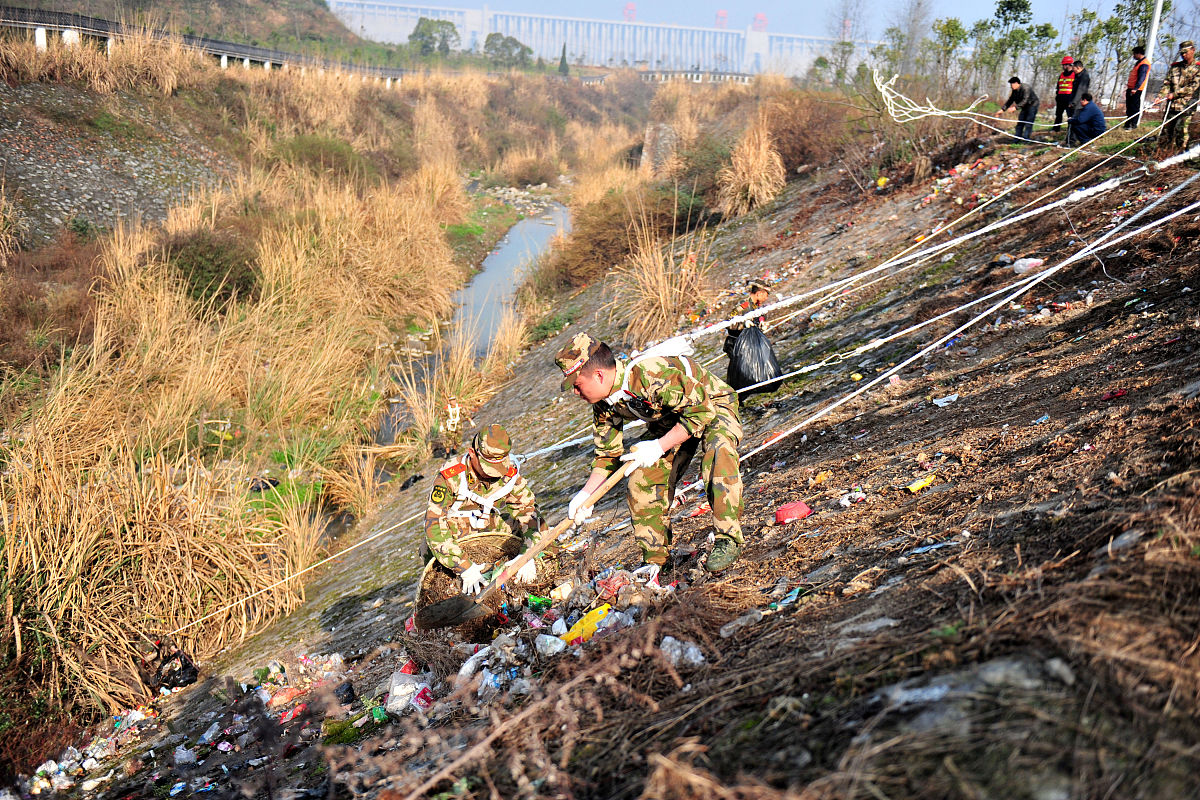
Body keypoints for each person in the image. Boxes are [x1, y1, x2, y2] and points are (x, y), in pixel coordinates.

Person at [556, 332, 745, 575]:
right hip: (671, 422)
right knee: (641, 479)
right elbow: (606, 455)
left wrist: (657, 447)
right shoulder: (604, 405)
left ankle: (728, 538)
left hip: (712, 405)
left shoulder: (648, 374)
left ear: (599, 375)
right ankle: (657, 561)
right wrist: (586, 495)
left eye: (577, 385)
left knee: (718, 453)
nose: (575, 392)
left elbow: (701, 411)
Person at [417, 424, 548, 620]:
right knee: (430, 551)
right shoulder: (451, 476)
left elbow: (528, 514)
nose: (493, 474)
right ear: (472, 454)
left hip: (487, 523)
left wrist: (527, 555)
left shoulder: (509, 472)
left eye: (498, 468)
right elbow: (434, 524)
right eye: (489, 467)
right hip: (455, 530)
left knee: (544, 534)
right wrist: (464, 567)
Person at [1155, 40, 1200, 151]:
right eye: (1181, 53)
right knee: (1166, 130)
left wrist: (1174, 94)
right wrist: (1160, 96)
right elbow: (1167, 83)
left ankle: (1181, 155)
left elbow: (1193, 87)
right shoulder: (1175, 67)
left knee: (1181, 130)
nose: (1183, 55)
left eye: (1186, 52)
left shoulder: (1198, 68)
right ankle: (1162, 154)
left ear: (1193, 50)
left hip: (1187, 105)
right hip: (1172, 105)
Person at [723, 278, 770, 357]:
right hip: (738, 346)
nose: (766, 298)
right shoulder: (744, 305)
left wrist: (762, 323)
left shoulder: (757, 307)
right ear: (758, 293)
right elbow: (728, 322)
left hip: (751, 345)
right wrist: (743, 324)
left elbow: (759, 318)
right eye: (766, 294)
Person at [1002, 76, 1040, 141]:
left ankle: (1026, 139)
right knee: (1020, 122)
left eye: (1012, 84)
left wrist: (1015, 108)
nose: (1011, 86)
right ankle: (1017, 139)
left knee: (1028, 123)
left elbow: (1025, 100)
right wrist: (1003, 109)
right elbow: (1010, 100)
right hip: (1024, 106)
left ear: (1017, 83)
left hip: (1032, 105)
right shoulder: (1014, 91)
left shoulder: (1026, 88)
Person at [1125, 44, 1151, 129]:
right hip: (1131, 88)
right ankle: (1128, 123)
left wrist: (1135, 88)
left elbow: (1142, 77)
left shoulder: (1144, 64)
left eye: (1134, 54)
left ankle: (1133, 124)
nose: (1133, 56)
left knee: (1134, 107)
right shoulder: (1139, 62)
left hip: (1136, 90)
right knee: (1129, 107)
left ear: (1139, 53)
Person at [1053, 56, 1077, 131]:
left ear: (1068, 65)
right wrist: (1057, 95)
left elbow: (1076, 87)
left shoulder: (1074, 74)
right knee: (1058, 114)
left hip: (1069, 98)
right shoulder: (1061, 74)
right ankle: (1056, 129)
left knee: (1070, 115)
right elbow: (1058, 85)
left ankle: (1070, 130)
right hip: (1060, 98)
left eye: (1064, 65)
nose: (1063, 67)